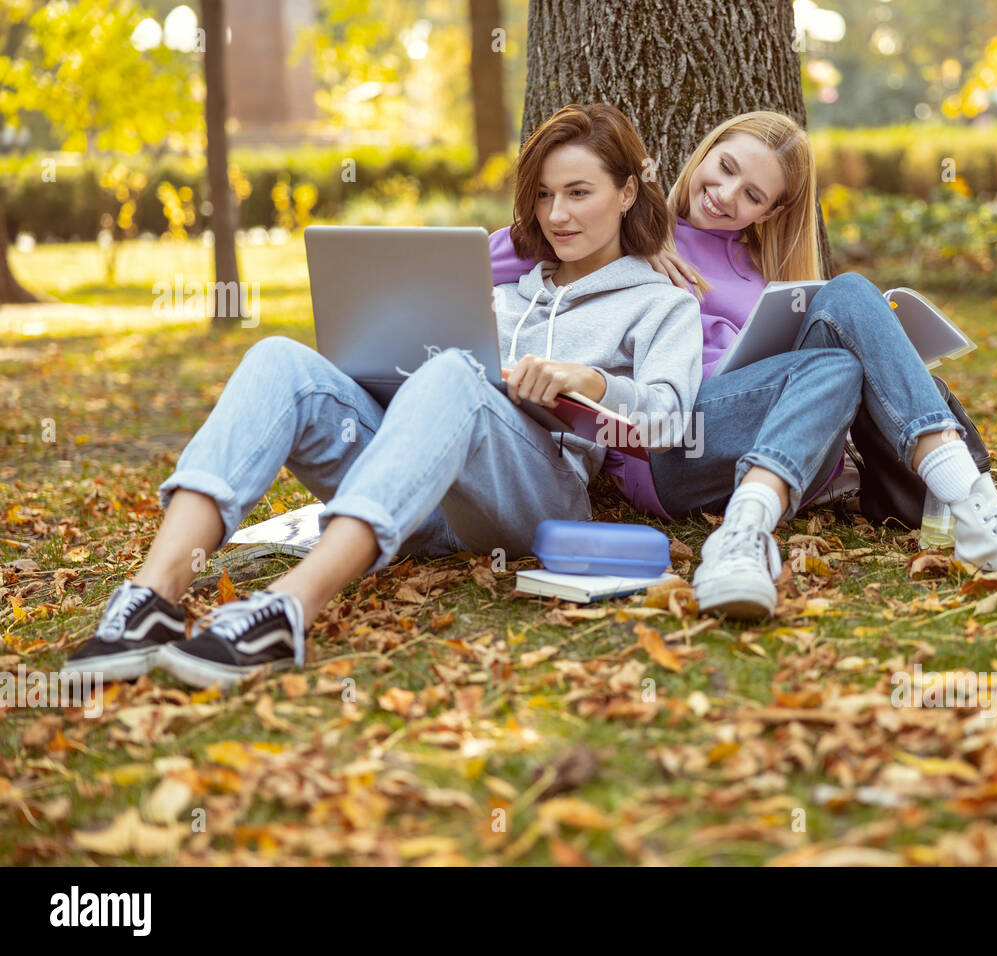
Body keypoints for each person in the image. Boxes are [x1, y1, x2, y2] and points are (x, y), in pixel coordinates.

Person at [63, 103, 705, 687]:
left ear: (627, 191)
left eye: (578, 193)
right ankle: (153, 594)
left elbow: (671, 423)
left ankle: (291, 606)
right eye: (542, 195)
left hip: (530, 496)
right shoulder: (503, 292)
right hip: (414, 496)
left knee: (456, 372)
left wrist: (589, 382)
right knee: (279, 359)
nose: (556, 214)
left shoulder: (659, 302)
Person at [491, 111, 997, 617]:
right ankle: (977, 510)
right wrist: (642, 245)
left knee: (840, 348)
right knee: (849, 295)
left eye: (753, 194)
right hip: (668, 444)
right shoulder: (618, 228)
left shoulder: (768, 280)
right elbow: (495, 256)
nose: (726, 194)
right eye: (724, 167)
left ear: (774, 211)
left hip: (760, 446)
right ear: (704, 152)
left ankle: (759, 531)